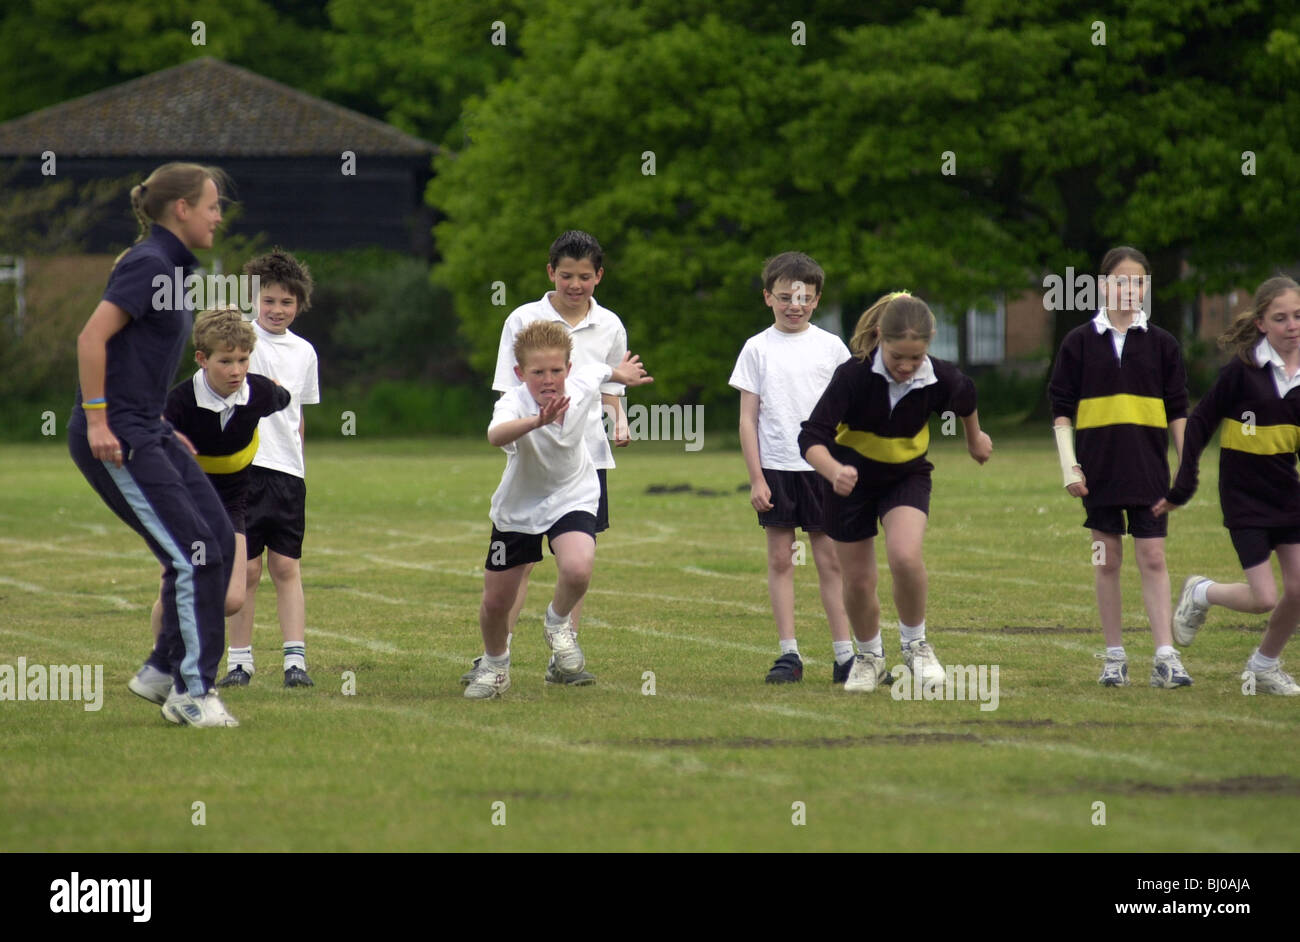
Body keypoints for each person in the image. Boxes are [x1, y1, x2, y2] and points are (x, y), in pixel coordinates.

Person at [68, 162, 240, 727]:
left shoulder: (170, 266)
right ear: (182, 209)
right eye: (212, 205)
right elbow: (92, 338)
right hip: (118, 433)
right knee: (192, 552)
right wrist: (99, 421)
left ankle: (161, 670)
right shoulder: (148, 262)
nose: (219, 215)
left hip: (149, 427)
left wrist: (165, 427)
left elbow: (138, 360)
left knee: (216, 539)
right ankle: (192, 691)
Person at [798, 291, 992, 693]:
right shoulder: (852, 377)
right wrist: (833, 470)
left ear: (928, 347)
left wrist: (975, 439)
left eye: (915, 358)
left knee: (905, 556)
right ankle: (869, 657)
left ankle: (916, 646)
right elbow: (811, 436)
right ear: (879, 339)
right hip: (848, 481)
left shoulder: (941, 377)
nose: (906, 366)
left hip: (906, 476)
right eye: (896, 357)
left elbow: (967, 395)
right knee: (858, 580)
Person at [463, 230, 629, 687]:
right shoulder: (523, 319)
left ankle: (563, 650)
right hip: (532, 454)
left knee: (576, 558)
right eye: (567, 275)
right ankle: (497, 655)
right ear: (551, 273)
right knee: (519, 567)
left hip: (584, 458)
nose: (576, 285)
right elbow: (507, 391)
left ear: (599, 276)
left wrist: (620, 421)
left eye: (585, 276)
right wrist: (533, 424)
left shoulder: (610, 325)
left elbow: (610, 385)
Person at [464, 320, 652, 699]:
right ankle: (496, 665)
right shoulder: (513, 402)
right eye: (537, 373)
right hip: (519, 508)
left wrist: (624, 374)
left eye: (556, 371)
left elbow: (602, 371)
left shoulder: (581, 384)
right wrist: (537, 421)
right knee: (495, 602)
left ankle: (557, 621)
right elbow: (494, 435)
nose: (548, 380)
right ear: (520, 373)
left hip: (573, 494)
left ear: (568, 369)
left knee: (579, 566)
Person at [1049, 246, 1191, 688]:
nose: (1129, 290)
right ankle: (1114, 658)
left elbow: (1178, 410)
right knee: (1105, 560)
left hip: (1149, 471)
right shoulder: (1078, 342)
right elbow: (1061, 410)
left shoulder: (1164, 344)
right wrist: (1069, 466)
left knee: (1153, 556)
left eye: (1138, 282)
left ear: (1147, 288)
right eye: (1120, 281)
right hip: (1098, 473)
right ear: (1102, 285)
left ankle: (1166, 657)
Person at [1154, 276, 1300, 695]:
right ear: (1260, 324)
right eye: (1280, 318)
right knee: (1265, 598)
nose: (1292, 325)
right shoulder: (1242, 371)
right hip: (1245, 501)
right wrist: (1182, 485)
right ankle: (1202, 592)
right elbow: (1199, 424)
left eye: (1297, 316)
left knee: (1298, 588)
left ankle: (1264, 665)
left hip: (1287, 497)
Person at [730, 251, 861, 684]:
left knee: (830, 560)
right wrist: (756, 478)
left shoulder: (831, 348)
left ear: (817, 299)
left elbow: (849, 414)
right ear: (768, 297)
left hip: (822, 468)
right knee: (781, 560)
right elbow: (748, 419)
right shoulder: (757, 349)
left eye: (803, 297)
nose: (794, 305)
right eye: (785, 296)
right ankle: (789, 654)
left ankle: (846, 656)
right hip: (777, 469)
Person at [148, 309, 291, 642]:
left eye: (243, 360)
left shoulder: (260, 393)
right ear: (202, 359)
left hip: (231, 503)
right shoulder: (178, 404)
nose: (237, 370)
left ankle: (190, 634)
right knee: (179, 589)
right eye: (226, 361)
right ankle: (164, 665)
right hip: (186, 501)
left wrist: (280, 391)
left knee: (232, 600)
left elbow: (281, 397)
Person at [218, 250, 319, 688]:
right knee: (247, 570)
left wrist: (298, 466)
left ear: (299, 304)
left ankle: (295, 661)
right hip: (242, 469)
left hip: (286, 475)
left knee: (285, 566)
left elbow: (298, 417)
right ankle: (239, 662)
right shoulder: (241, 343)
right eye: (269, 300)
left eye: (287, 302)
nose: (277, 310)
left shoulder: (305, 352)